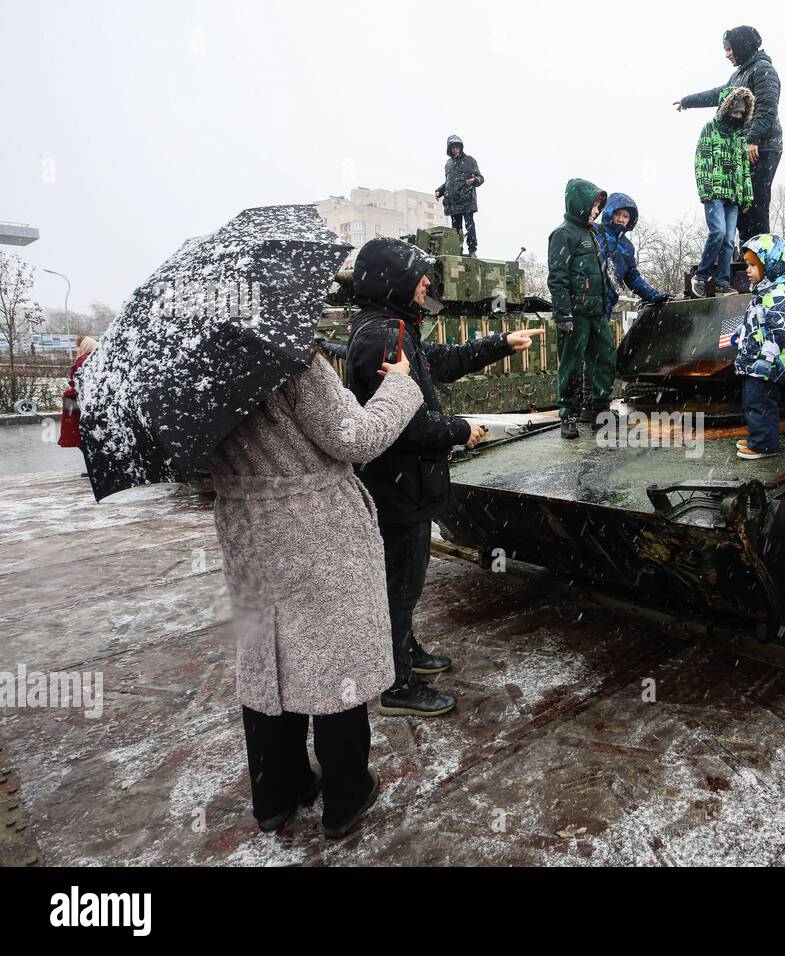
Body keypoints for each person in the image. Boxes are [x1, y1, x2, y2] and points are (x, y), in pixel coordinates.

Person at [207, 338, 423, 838]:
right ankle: (346, 793)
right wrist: (399, 385)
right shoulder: (289, 360)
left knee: (265, 653)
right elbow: (355, 438)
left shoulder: (194, 376)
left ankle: (276, 792)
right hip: (314, 528)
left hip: (245, 527)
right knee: (334, 652)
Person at [346, 236, 541, 718]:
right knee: (400, 585)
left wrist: (500, 343)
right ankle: (396, 685)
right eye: (418, 274)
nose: (428, 282)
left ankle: (405, 652)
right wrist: (460, 431)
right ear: (395, 280)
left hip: (406, 484)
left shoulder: (395, 328)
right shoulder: (383, 336)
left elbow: (441, 365)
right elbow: (403, 425)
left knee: (406, 581)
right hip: (398, 485)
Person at [675, 25, 781, 242]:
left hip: (763, 145)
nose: (727, 55)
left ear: (742, 46)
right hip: (744, 146)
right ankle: (748, 253)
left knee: (757, 202)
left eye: (730, 49)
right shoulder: (738, 76)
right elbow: (718, 95)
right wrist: (688, 101)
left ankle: (762, 253)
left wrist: (753, 140)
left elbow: (767, 109)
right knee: (742, 203)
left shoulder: (763, 70)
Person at [548, 178, 611, 440]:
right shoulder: (563, 234)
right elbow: (557, 277)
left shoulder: (591, 233)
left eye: (598, 206)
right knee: (571, 365)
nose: (597, 211)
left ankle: (600, 411)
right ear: (581, 205)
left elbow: (600, 271)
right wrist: (564, 314)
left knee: (605, 359)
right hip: (575, 314)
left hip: (597, 311)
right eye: (594, 206)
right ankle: (569, 415)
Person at [729, 234, 785, 461]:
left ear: (772, 266)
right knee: (753, 402)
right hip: (754, 362)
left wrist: (767, 359)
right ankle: (758, 438)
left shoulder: (776, 296)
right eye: (747, 264)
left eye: (753, 265)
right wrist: (740, 331)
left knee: (762, 405)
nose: (747, 270)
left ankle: (764, 446)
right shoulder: (763, 293)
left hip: (765, 365)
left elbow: (778, 331)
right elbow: (757, 321)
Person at [690, 87, 755, 297]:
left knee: (728, 238)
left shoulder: (739, 137)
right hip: (715, 193)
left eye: (740, 113)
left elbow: (745, 169)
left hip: (734, 196)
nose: (737, 116)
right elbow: (702, 161)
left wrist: (747, 197)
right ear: (726, 110)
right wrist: (705, 189)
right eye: (735, 112)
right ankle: (701, 275)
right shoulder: (710, 129)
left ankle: (722, 280)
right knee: (717, 232)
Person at [434, 135, 484, 256]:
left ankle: (472, 250)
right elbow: (449, 183)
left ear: (461, 147)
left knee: (469, 226)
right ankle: (458, 250)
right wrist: (439, 191)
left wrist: (474, 180)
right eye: (453, 148)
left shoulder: (469, 160)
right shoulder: (448, 164)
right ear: (449, 149)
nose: (455, 149)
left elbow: (481, 178)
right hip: (453, 203)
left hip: (466, 200)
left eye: (457, 147)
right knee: (456, 230)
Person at [59, 336, 96, 477]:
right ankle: (93, 466)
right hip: (85, 402)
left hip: (78, 402)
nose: (76, 349)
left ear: (83, 346)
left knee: (78, 431)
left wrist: (70, 391)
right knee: (85, 434)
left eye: (77, 346)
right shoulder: (96, 358)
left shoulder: (82, 360)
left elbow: (78, 383)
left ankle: (92, 467)